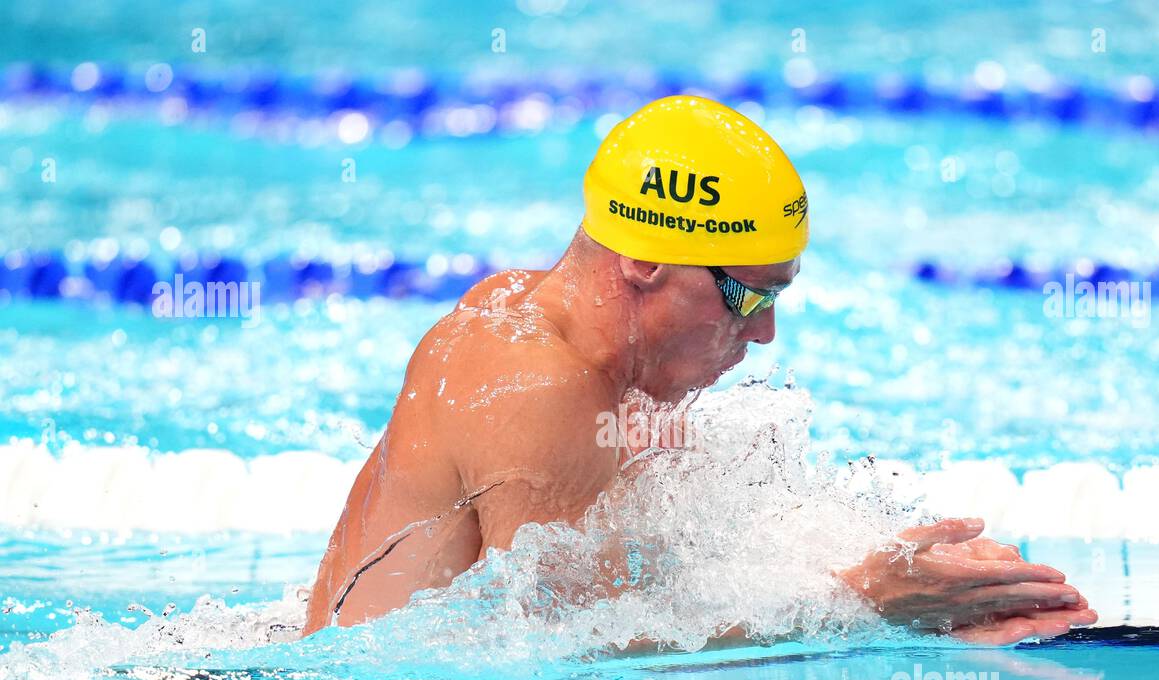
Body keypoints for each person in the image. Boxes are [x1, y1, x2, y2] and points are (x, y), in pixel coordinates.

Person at [303, 95, 1096, 644]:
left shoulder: (555, 330)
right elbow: (564, 653)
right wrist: (865, 604)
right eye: (746, 296)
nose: (767, 332)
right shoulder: (537, 387)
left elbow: (647, 574)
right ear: (645, 257)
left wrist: (895, 566)